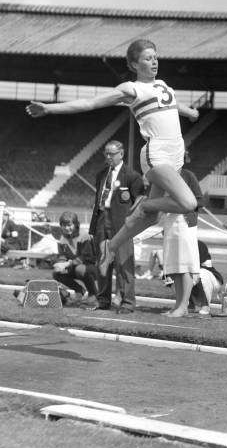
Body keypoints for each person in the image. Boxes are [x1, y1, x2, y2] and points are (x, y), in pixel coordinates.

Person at [26, 39, 199, 279]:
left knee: (152, 218)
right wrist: (49, 108)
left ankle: (111, 247)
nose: (154, 62)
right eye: (148, 58)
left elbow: (171, 104)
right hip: (157, 154)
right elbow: (89, 103)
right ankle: (144, 204)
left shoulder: (161, 85)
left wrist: (190, 112)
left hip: (176, 153)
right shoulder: (131, 89)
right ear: (134, 65)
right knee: (188, 203)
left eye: (155, 57)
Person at [90, 140, 145, 312]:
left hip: (121, 223)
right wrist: (93, 227)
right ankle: (103, 300)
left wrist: (132, 225)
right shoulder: (101, 175)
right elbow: (97, 201)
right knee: (102, 261)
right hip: (101, 220)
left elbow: (139, 202)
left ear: (121, 154)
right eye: (106, 153)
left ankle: (128, 302)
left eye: (112, 154)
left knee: (124, 263)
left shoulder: (132, 176)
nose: (108, 157)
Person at [160, 166, 204, 317]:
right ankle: (178, 305)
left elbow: (199, 200)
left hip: (185, 223)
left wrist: (182, 204)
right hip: (170, 222)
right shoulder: (163, 175)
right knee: (176, 267)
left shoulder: (188, 175)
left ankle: (184, 304)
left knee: (185, 266)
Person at [51, 212, 99, 308]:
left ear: (76, 224)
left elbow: (86, 257)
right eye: (64, 225)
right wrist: (60, 264)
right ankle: (79, 291)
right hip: (74, 266)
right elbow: (62, 256)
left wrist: (67, 264)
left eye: (69, 225)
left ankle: (93, 294)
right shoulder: (62, 239)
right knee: (56, 274)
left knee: (80, 269)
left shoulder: (84, 236)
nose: (66, 228)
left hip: (91, 267)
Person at [189, 240, 224, 314]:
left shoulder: (199, 244)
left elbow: (196, 267)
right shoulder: (176, 245)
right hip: (196, 275)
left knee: (197, 273)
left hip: (210, 277)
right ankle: (190, 305)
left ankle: (205, 305)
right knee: (178, 276)